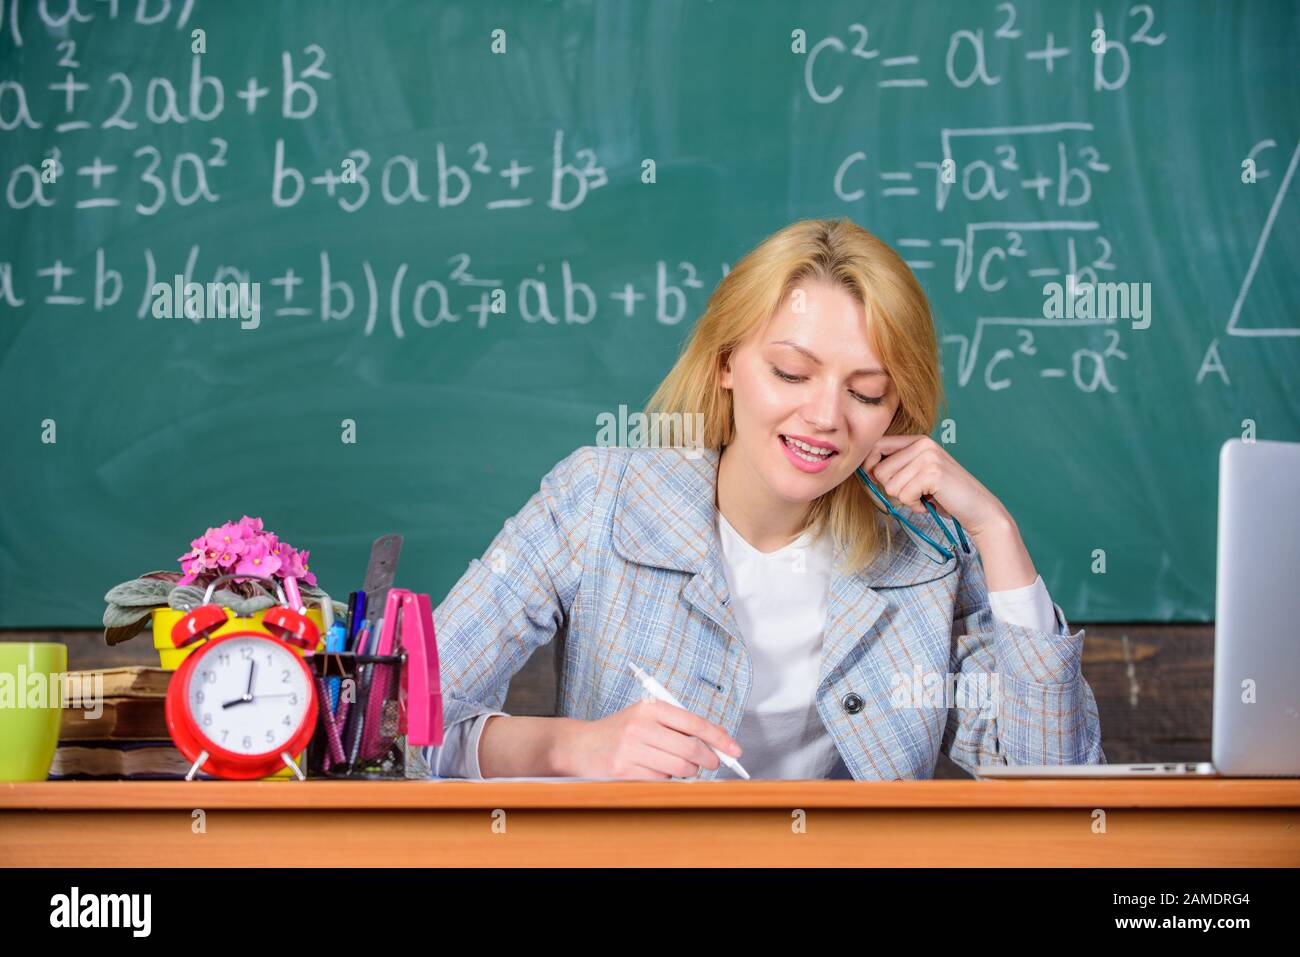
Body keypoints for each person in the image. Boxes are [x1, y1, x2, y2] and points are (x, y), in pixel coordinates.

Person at [424, 217, 1105, 780]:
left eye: (867, 392)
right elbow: (403, 724)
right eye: (791, 372)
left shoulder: (926, 550)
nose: (825, 416)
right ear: (725, 362)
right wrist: (569, 747)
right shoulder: (598, 499)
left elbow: (1056, 782)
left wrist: (995, 529)